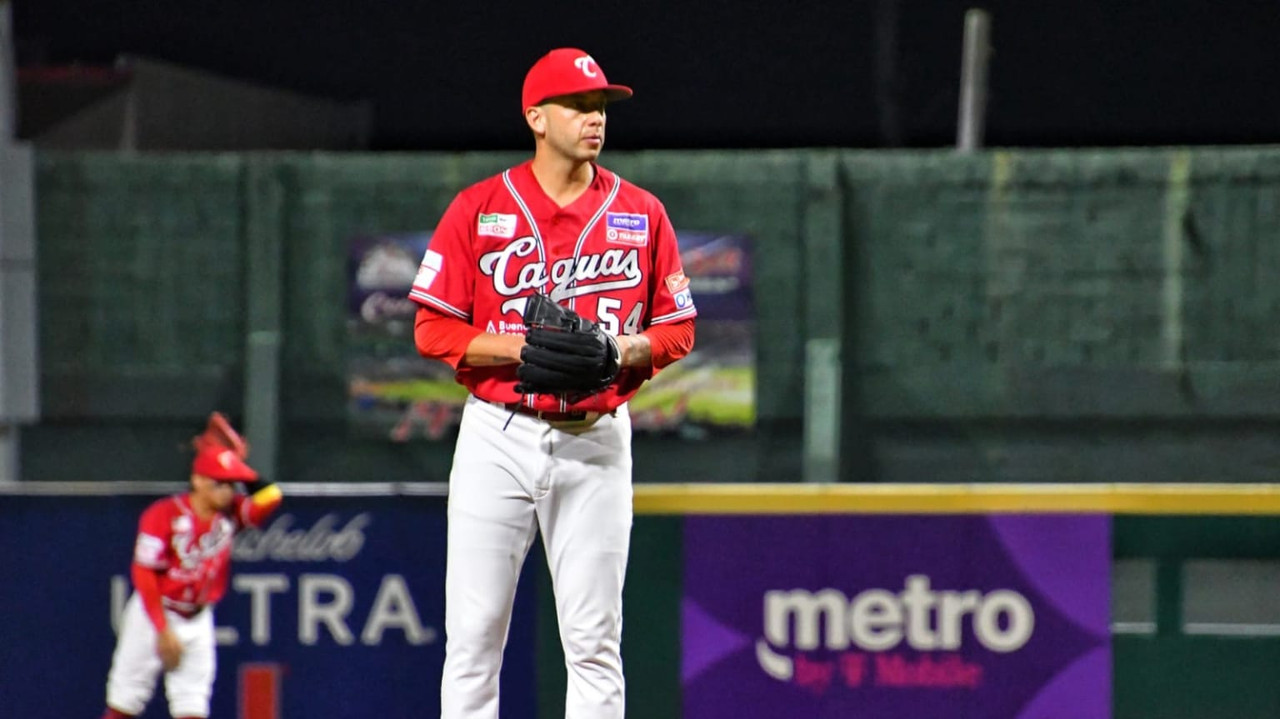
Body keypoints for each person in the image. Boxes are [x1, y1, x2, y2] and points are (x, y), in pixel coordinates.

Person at [409, 48, 697, 718]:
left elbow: (678, 328)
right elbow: (432, 329)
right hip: (498, 435)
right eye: (578, 105)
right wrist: (527, 348)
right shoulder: (479, 208)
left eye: (600, 107)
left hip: (595, 437)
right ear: (536, 116)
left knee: (594, 639)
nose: (594, 118)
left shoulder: (642, 212)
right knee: (475, 635)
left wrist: (618, 349)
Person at [101, 414, 283, 719]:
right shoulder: (163, 514)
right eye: (218, 483)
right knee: (124, 703)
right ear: (197, 480)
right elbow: (144, 572)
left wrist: (237, 465)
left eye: (230, 484)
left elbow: (272, 497)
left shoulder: (232, 513)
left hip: (197, 618)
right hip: (155, 612)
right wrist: (162, 629)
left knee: (192, 705)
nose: (226, 491)